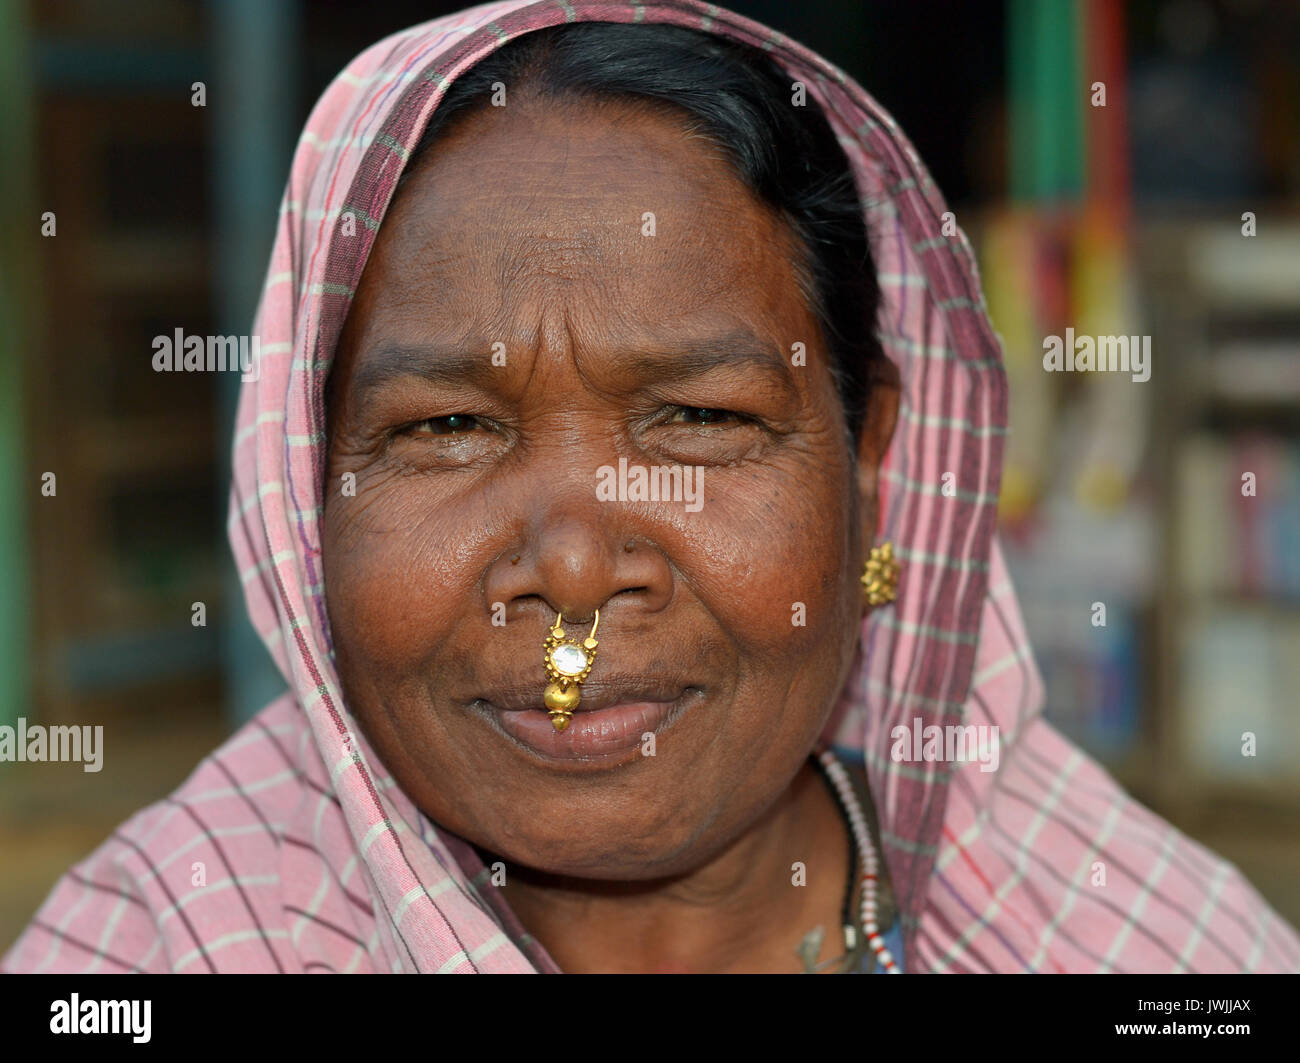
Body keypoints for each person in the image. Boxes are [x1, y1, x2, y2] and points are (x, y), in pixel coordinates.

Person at [5, 0, 1297, 974]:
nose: (571, 564)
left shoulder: (1145, 953)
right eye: (446, 426)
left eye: (698, 421)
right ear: (306, 498)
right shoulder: (160, 945)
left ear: (873, 469)